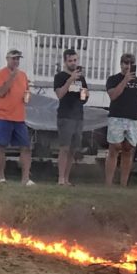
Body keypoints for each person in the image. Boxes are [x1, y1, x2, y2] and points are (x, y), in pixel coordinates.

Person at [0, 48, 34, 186]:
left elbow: (26, 93)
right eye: (13, 58)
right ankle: (1, 177)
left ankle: (25, 178)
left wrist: (27, 96)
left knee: (25, 147)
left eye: (18, 59)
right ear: (7, 59)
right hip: (3, 116)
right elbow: (1, 92)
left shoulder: (23, 75)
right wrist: (11, 77)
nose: (16, 61)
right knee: (1, 146)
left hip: (19, 117)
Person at [104, 52, 137, 186]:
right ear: (121, 64)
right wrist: (125, 80)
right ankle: (108, 183)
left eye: (131, 63)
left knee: (128, 150)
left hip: (134, 119)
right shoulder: (113, 79)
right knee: (114, 148)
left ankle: (123, 183)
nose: (128, 66)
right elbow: (113, 96)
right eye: (125, 63)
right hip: (117, 117)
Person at [52, 47, 88, 187]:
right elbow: (60, 94)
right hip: (65, 116)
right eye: (70, 61)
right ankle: (60, 178)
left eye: (75, 60)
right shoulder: (60, 77)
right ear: (65, 62)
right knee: (64, 148)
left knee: (73, 149)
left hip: (78, 115)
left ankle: (67, 178)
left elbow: (84, 98)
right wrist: (70, 80)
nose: (73, 63)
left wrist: (84, 93)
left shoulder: (81, 78)